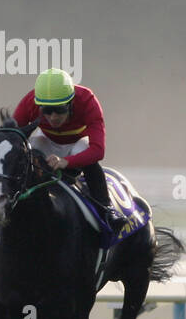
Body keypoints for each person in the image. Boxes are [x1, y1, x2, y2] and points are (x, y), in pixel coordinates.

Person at [14, 68, 124, 231]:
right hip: (47, 142)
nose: (53, 117)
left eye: (59, 110)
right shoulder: (29, 101)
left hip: (77, 144)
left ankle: (106, 209)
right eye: (47, 111)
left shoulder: (87, 101)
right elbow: (12, 137)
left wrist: (66, 162)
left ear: (71, 103)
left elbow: (98, 151)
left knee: (83, 149)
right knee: (29, 148)